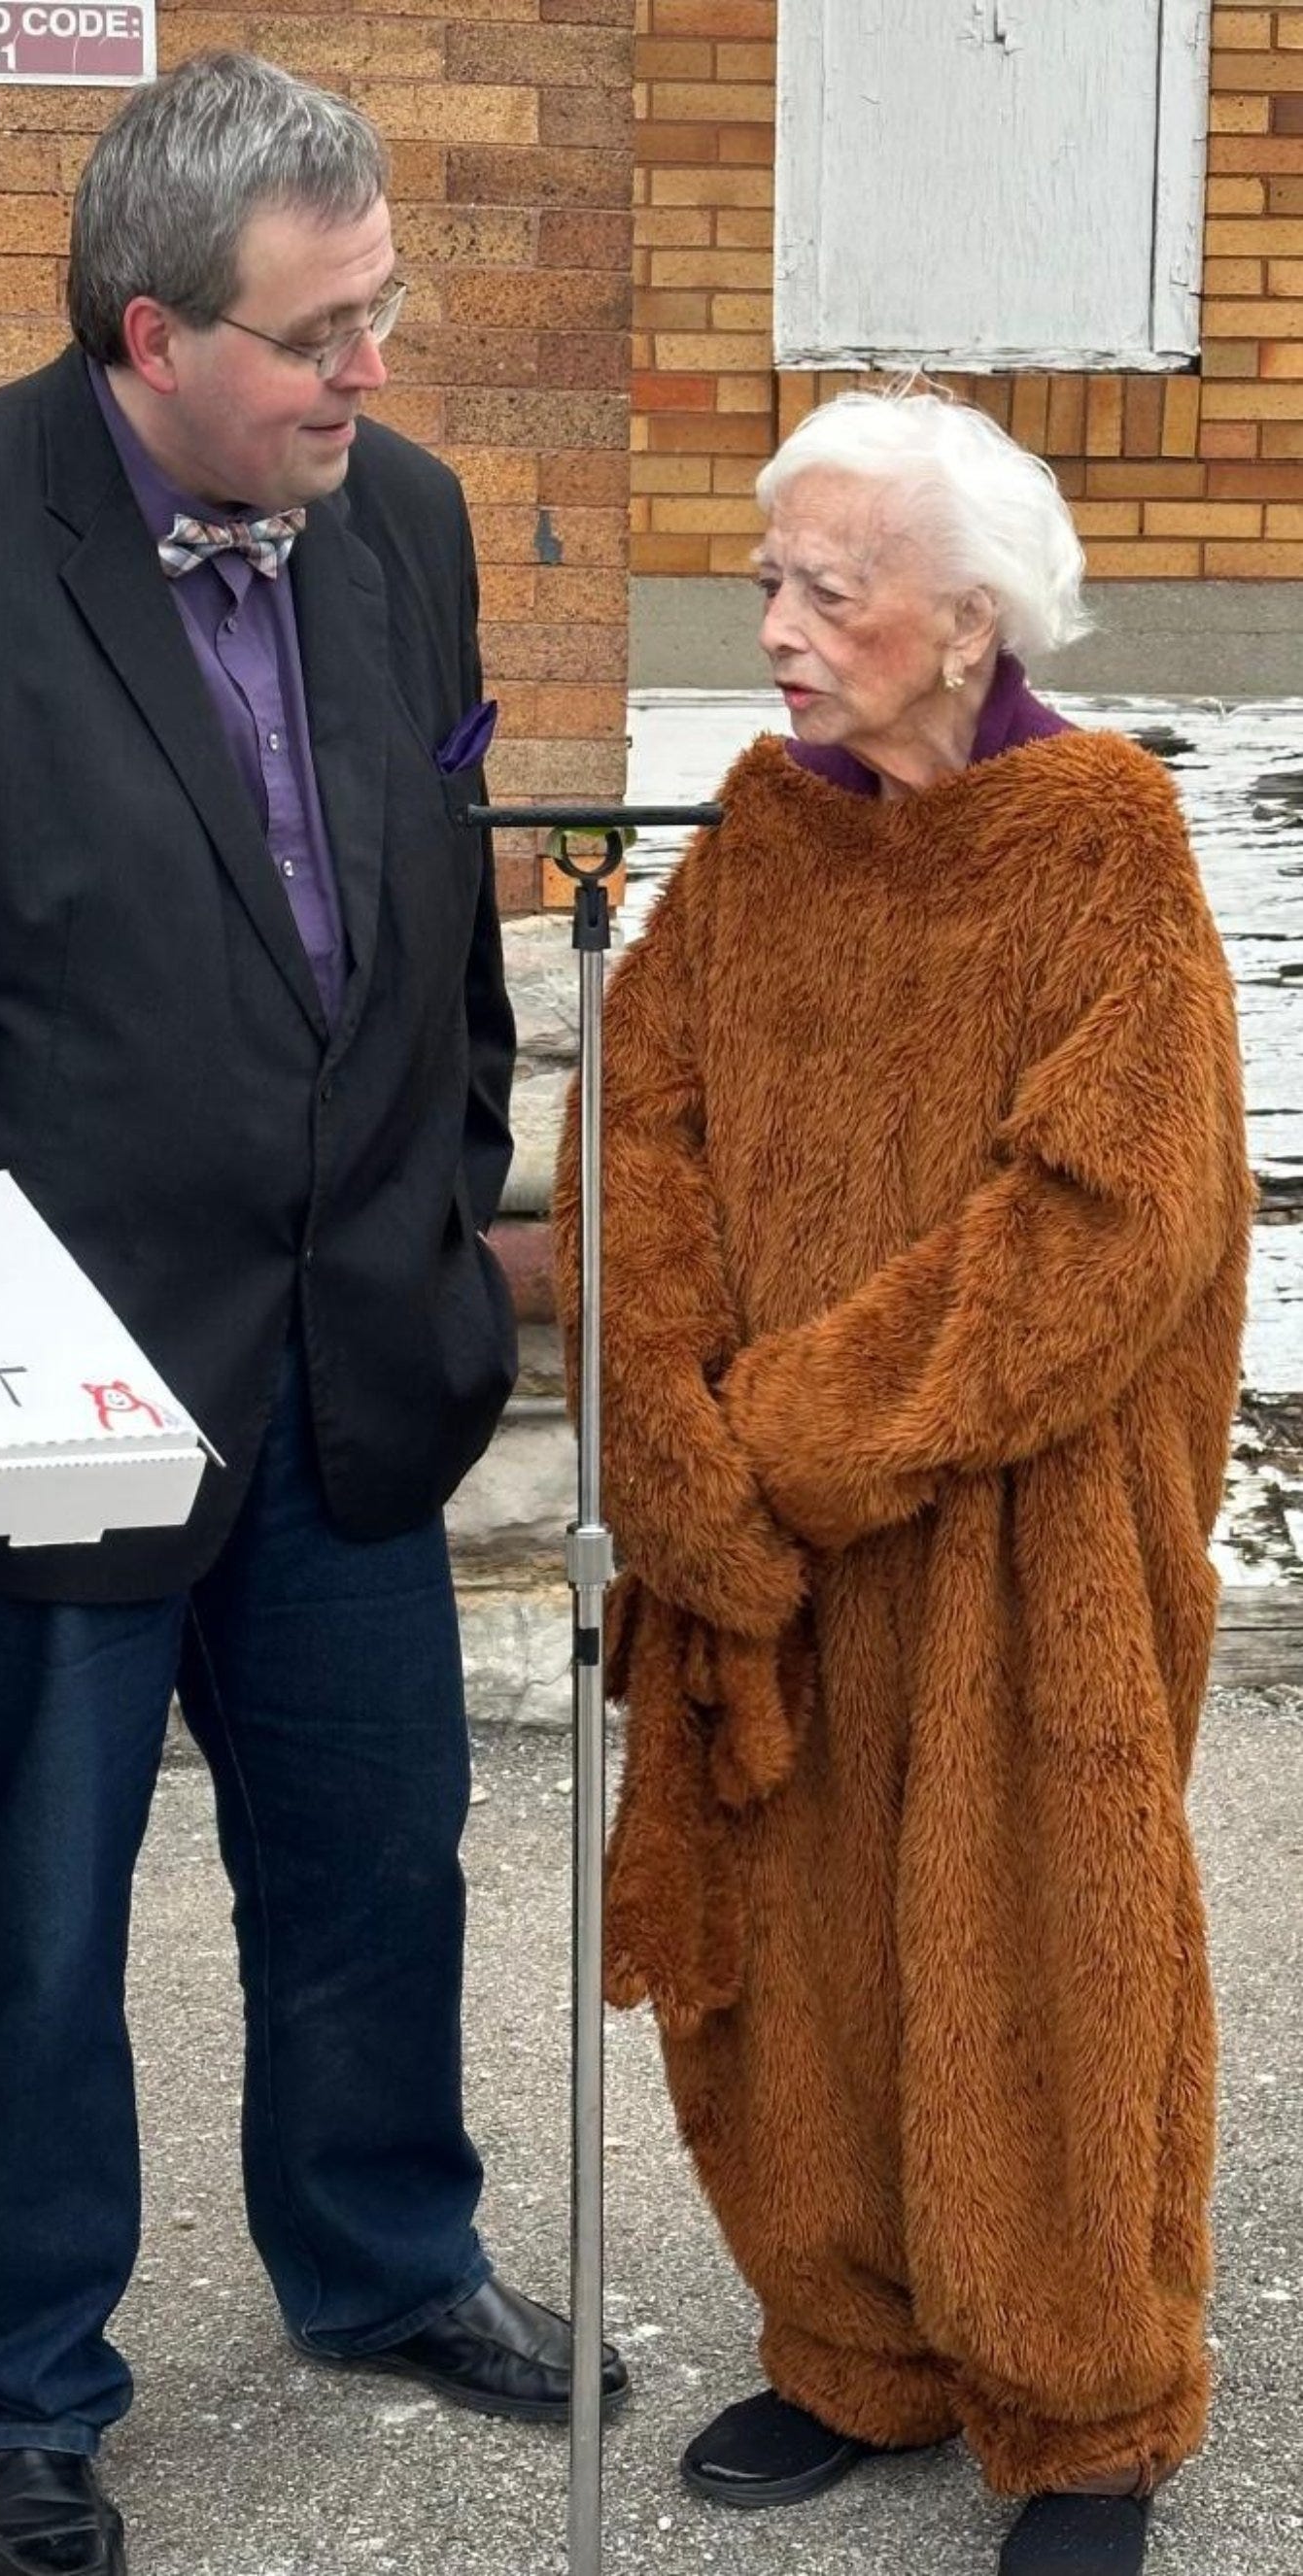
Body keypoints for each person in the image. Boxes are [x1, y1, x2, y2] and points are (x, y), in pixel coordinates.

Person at [0, 51, 625, 2576]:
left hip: (348, 1355)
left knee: (380, 1860)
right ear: (150, 333)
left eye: (383, 307)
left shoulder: (401, 513)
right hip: (39, 1386)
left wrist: (450, 1205)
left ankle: (385, 2258)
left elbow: (440, 889)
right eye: (320, 330)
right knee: (37, 1911)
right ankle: (19, 2383)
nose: (373, 366)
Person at [555, 389, 1251, 2576]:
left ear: (966, 625)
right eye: (770, 581)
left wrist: (786, 1439)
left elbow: (1110, 1221)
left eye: (822, 591)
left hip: (1022, 1543)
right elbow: (635, 1125)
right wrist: (671, 1435)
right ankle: (851, 2345)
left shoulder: (1100, 839)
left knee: (1046, 1955)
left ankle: (1083, 2410)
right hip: (771, 1549)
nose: (770, 626)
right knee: (794, 1953)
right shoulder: (767, 829)